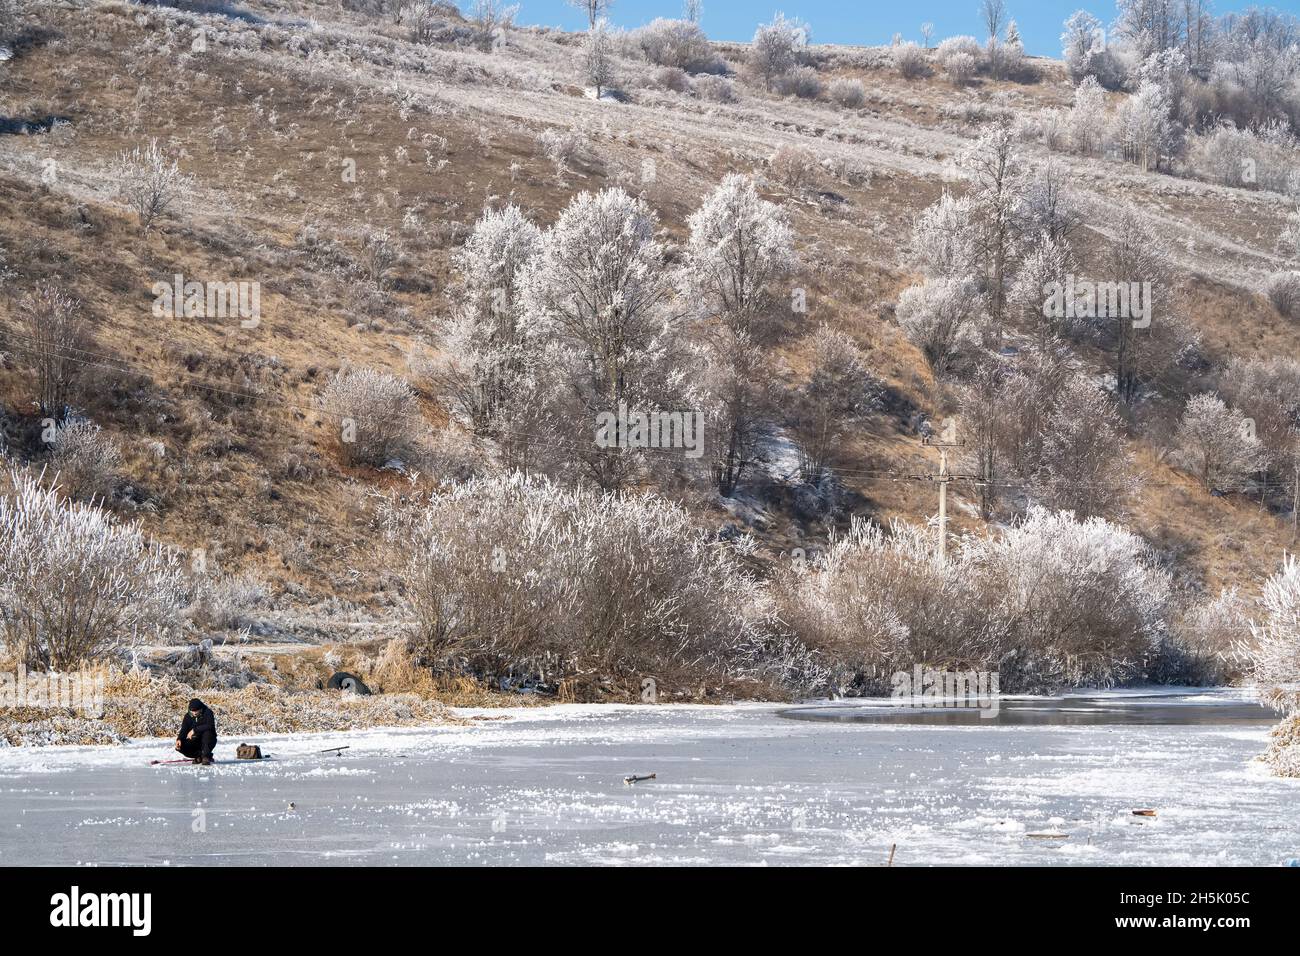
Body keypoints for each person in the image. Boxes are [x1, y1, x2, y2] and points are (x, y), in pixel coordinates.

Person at [175, 698, 217, 765]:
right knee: (181, 746)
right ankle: (199, 756)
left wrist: (194, 730)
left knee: (208, 733)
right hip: (195, 740)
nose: (194, 713)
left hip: (208, 740)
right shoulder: (187, 716)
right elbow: (184, 730)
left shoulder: (208, 712)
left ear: (200, 709)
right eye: (192, 711)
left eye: (196, 711)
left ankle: (205, 756)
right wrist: (179, 739)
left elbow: (210, 726)